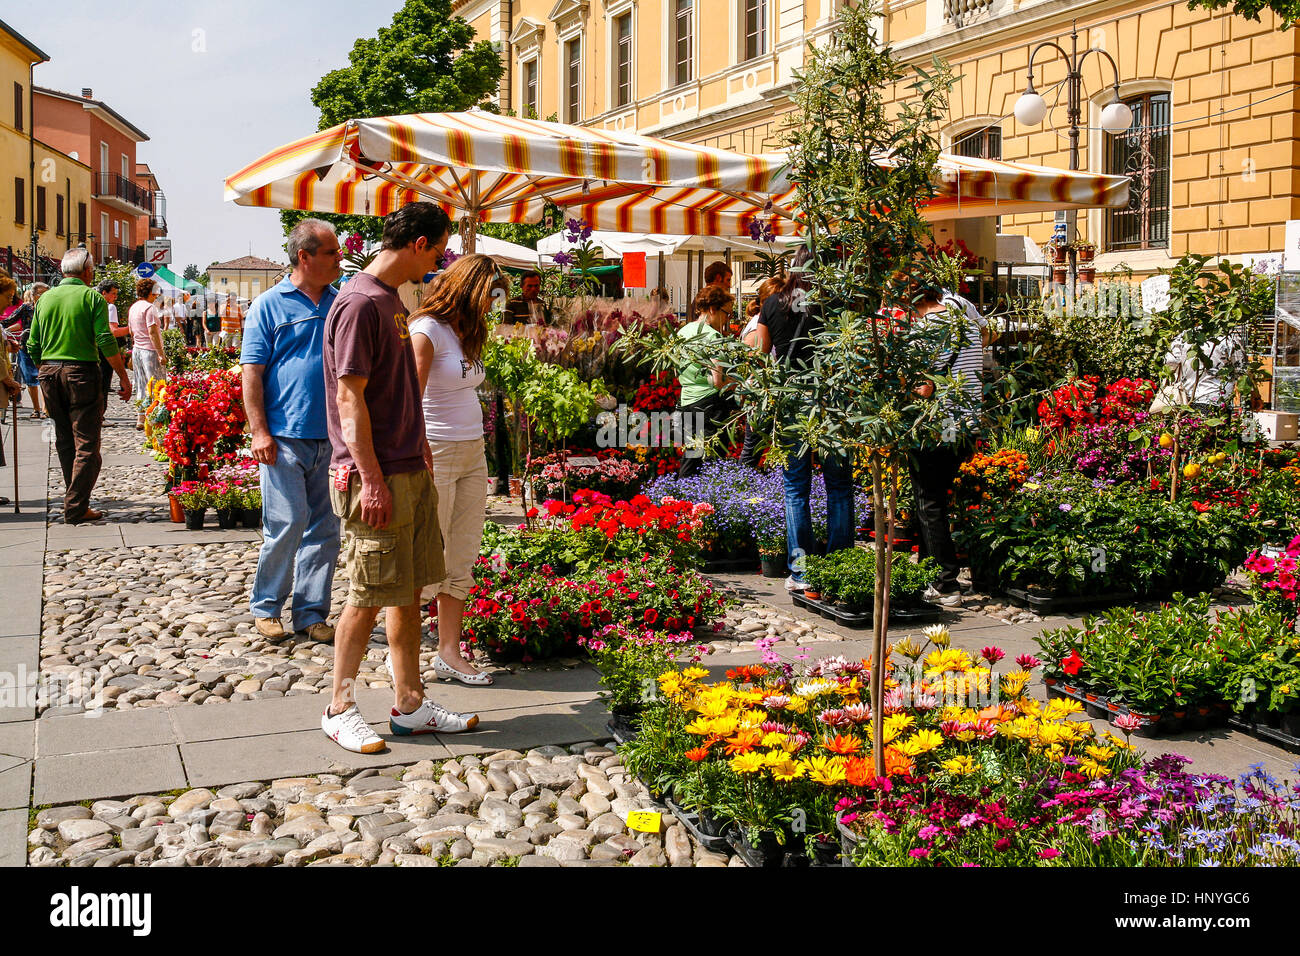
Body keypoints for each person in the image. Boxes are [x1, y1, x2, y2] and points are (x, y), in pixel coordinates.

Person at [321, 201, 478, 754]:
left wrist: (418, 457)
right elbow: (349, 398)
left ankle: (409, 703)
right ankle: (339, 706)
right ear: (417, 243)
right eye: (436, 250)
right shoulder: (362, 303)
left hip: (407, 468)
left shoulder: (390, 302)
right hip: (378, 476)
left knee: (408, 590)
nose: (437, 262)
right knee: (366, 592)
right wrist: (373, 478)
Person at [242, 219, 343, 644]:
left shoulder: (340, 303)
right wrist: (259, 431)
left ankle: (310, 613)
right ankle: (266, 606)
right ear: (305, 257)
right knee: (287, 523)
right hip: (284, 436)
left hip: (333, 438)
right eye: (332, 253)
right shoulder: (268, 305)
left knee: (325, 529)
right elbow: (252, 372)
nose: (340, 259)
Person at [410, 254, 505, 687]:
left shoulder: (465, 333)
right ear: (467, 290)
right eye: (488, 295)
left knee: (462, 553)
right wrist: (421, 448)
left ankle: (449, 652)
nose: (492, 304)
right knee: (427, 555)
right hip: (438, 451)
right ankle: (405, 656)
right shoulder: (426, 330)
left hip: (471, 451)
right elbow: (408, 398)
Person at [759, 248, 855, 591]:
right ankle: (841, 566)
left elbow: (760, 354)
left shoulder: (771, 304)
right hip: (832, 397)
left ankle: (800, 572)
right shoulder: (836, 304)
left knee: (795, 488)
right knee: (840, 486)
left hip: (790, 399)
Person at [26, 248, 131, 524]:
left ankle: (76, 500)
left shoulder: (45, 298)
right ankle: (75, 506)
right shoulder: (91, 296)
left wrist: (44, 368)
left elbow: (32, 343)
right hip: (81, 372)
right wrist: (122, 374)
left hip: (49, 371)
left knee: (64, 440)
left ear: (63, 272)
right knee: (87, 444)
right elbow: (105, 339)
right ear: (87, 272)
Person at [906, 286, 983, 608]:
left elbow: (921, 385)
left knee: (928, 501)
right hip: (966, 423)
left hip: (936, 426)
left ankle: (946, 581)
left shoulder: (925, 330)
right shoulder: (967, 323)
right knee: (934, 499)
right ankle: (931, 574)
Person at [675, 285, 737, 478]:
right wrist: (739, 382)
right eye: (727, 313)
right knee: (712, 461)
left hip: (687, 400)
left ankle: (683, 499)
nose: (727, 319)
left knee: (691, 455)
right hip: (710, 405)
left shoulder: (683, 332)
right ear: (712, 309)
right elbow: (718, 380)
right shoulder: (712, 337)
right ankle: (709, 503)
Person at [738, 276, 784, 467]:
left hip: (765, 392)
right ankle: (741, 485)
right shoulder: (758, 326)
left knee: (757, 444)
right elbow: (753, 361)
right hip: (760, 394)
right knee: (753, 445)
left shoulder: (764, 321)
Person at [4, 283, 48, 419]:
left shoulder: (50, 307)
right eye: (42, 294)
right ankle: (36, 409)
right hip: (26, 346)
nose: (46, 296)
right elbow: (9, 320)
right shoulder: (26, 307)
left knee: (45, 378)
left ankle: (46, 410)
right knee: (30, 379)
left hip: (45, 347)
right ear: (34, 295)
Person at [126, 279, 166, 430]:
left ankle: (140, 417)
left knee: (141, 384)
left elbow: (131, 331)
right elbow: (153, 332)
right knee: (155, 384)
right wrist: (161, 354)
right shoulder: (150, 308)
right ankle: (155, 418)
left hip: (137, 349)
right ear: (151, 292)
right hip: (150, 350)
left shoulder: (134, 307)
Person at [98, 280, 127, 421]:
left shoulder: (93, 305)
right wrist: (131, 329)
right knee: (103, 382)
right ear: (104, 293)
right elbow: (113, 331)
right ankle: (100, 416)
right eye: (113, 294)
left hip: (93, 347)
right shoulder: (109, 307)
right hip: (105, 349)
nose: (115, 297)